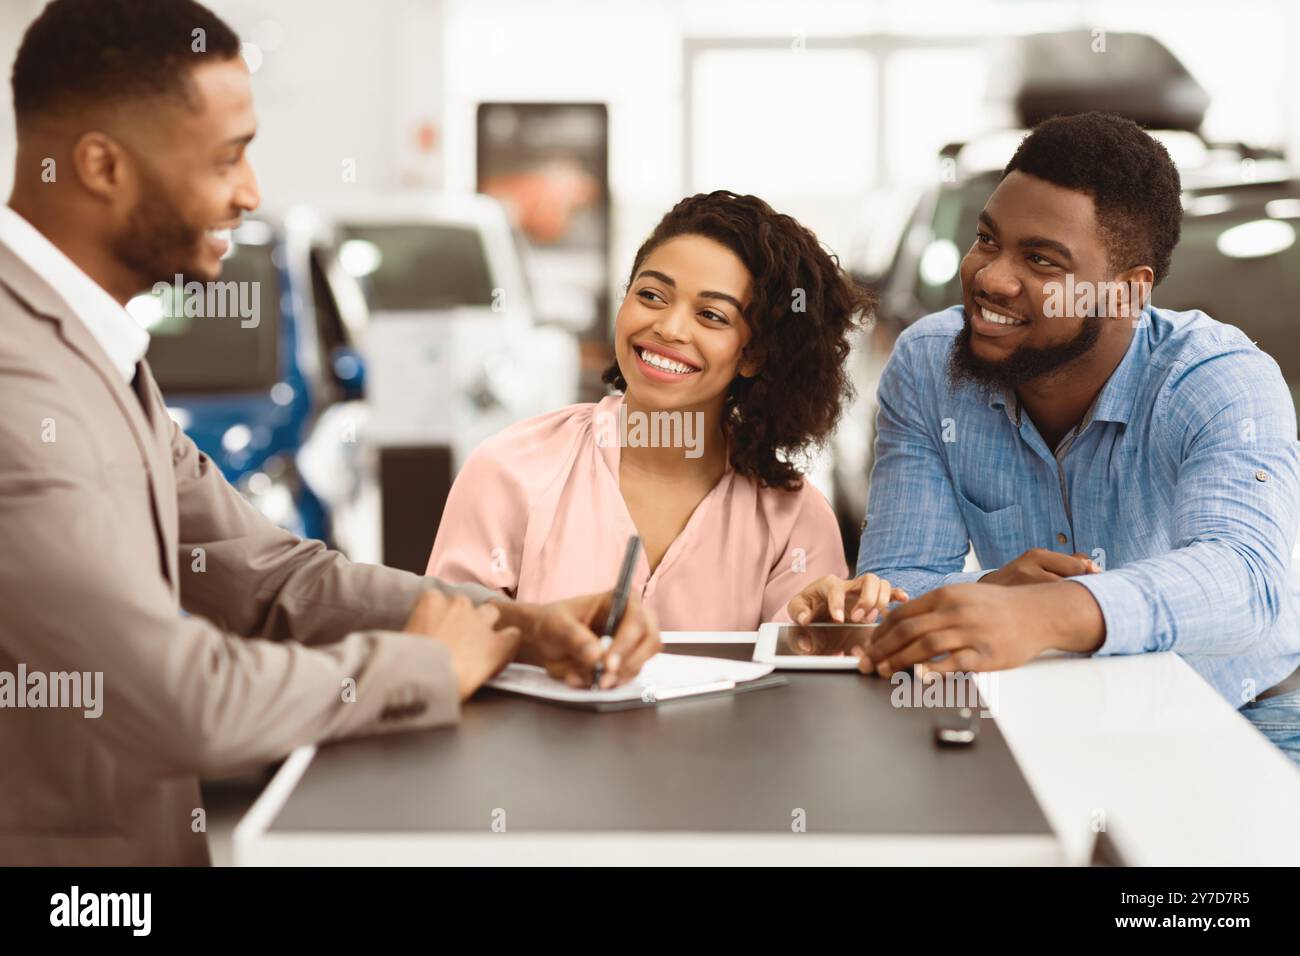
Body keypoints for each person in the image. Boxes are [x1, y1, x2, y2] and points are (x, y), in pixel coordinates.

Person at [0, 0, 657, 866]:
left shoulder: (90, 347)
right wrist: (422, 667)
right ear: (100, 165)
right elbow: (174, 697)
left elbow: (268, 576)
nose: (251, 192)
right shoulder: (18, 379)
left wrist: (513, 625)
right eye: (227, 156)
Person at [787, 111, 1300, 767]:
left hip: (1244, 712)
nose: (991, 277)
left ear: (1127, 293)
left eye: (1041, 260)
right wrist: (981, 597)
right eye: (987, 240)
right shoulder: (929, 365)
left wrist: (1054, 612)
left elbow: (1244, 578)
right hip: (1042, 702)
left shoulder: (1218, 382)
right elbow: (906, 577)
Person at [429, 191, 896, 638]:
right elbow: (450, 648)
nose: (668, 328)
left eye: (712, 315)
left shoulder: (795, 519)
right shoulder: (508, 473)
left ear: (753, 355)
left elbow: (796, 694)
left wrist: (826, 629)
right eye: (652, 295)